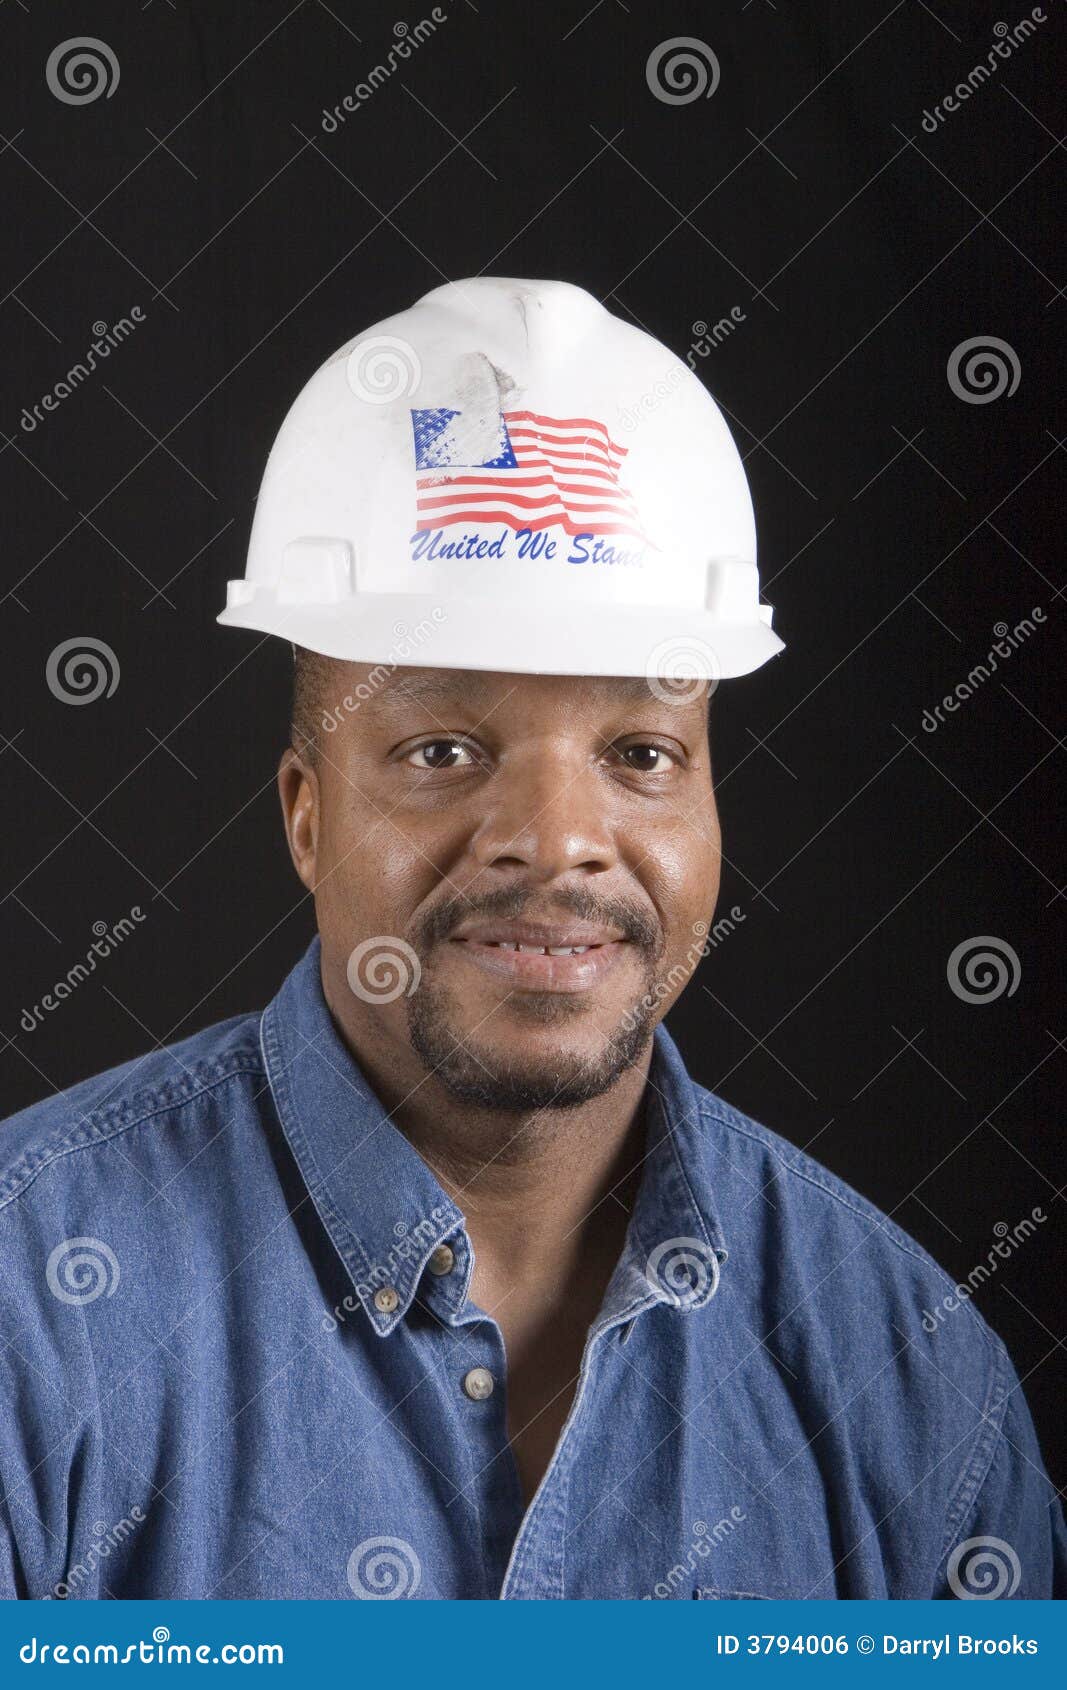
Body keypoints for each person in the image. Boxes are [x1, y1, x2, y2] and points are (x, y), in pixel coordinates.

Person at [0, 281, 1061, 1601]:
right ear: (308, 816)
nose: (558, 839)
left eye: (639, 752)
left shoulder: (905, 1371)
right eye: (442, 749)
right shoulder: (32, 1311)